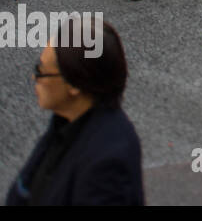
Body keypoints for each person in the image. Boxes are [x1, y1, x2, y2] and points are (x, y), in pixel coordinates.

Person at [7, 21, 145, 205]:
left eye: (42, 71)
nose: (35, 77)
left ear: (73, 84)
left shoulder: (107, 162)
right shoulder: (66, 121)